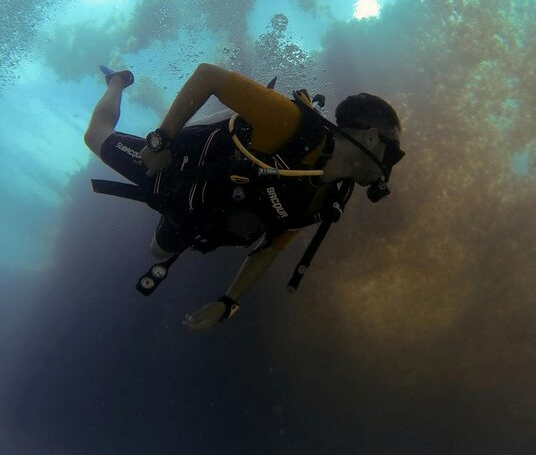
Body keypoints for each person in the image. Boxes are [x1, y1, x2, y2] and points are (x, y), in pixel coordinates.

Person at [84, 62, 404, 332]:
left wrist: (228, 303)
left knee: (157, 251)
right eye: (392, 155)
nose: (388, 170)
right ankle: (118, 81)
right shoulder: (292, 123)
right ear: (371, 137)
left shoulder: (331, 196)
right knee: (95, 135)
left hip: (201, 212)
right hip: (175, 166)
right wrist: (162, 140)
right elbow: (208, 75)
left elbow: (270, 249)